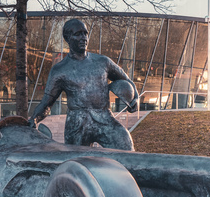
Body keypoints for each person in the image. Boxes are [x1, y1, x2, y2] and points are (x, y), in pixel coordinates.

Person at [29, 19, 137, 150]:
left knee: (125, 144)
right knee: (76, 163)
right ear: (68, 38)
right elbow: (47, 102)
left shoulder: (103, 62)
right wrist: (34, 119)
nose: (83, 38)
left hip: (104, 118)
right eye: (78, 34)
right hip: (77, 124)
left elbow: (126, 80)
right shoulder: (59, 70)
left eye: (85, 33)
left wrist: (135, 98)